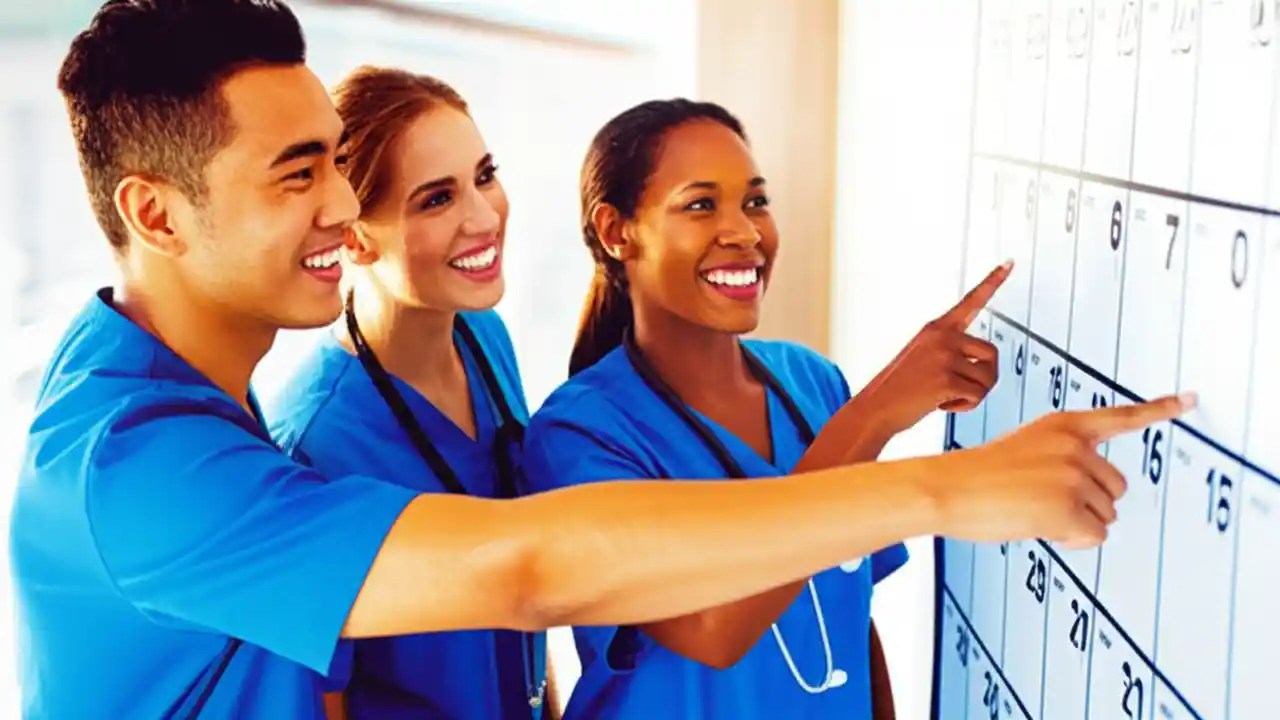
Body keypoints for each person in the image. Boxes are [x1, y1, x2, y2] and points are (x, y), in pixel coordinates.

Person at [7, 1, 1192, 718]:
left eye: (331, 161)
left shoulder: (173, 386)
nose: (339, 212)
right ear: (156, 216)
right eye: (295, 175)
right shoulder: (139, 471)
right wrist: (936, 486)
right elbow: (529, 568)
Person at [516, 98, 1165, 719]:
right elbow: (714, 631)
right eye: (701, 205)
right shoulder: (578, 435)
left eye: (756, 202)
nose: (744, 232)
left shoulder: (812, 383)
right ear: (616, 231)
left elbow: (851, 618)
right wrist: (878, 412)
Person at [266, 67, 557, 719]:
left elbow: (528, 571)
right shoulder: (313, 442)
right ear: (354, 236)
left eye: (484, 176)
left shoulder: (486, 337)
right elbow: (322, 697)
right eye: (436, 199)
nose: (484, 217)